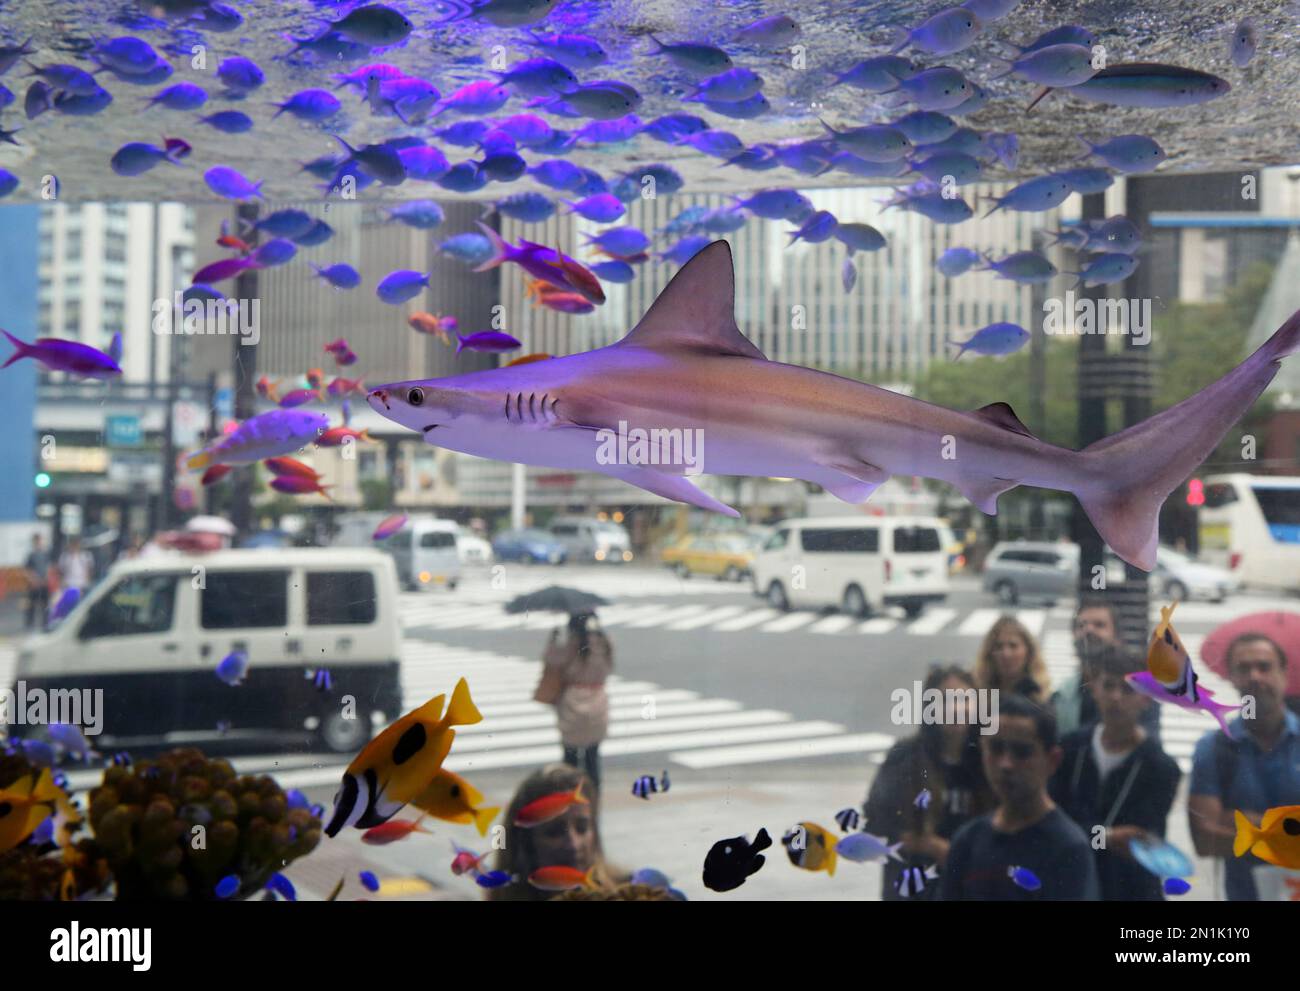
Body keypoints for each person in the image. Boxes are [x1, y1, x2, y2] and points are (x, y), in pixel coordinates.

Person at [1049, 643, 1181, 900]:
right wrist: (1108, 837)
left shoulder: (1161, 767)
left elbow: (1138, 841)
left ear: (1146, 698)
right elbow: (1054, 822)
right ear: (1094, 690)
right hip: (1071, 882)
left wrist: (1086, 834)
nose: (1116, 697)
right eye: (1108, 686)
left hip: (1131, 889)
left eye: (1128, 689)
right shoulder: (1069, 748)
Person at [938, 694, 1100, 900]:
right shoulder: (967, 841)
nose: (1006, 764)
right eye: (996, 749)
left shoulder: (1068, 848)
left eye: (1022, 752)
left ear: (1052, 760)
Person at [864, 664, 996, 900]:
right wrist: (928, 846)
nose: (955, 708)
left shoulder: (989, 761)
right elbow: (877, 821)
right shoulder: (905, 758)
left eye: (964, 699)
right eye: (944, 700)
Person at [1188, 633, 1300, 901]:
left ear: (1284, 673)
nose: (1255, 677)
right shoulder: (1214, 747)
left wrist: (1245, 823)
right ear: (1232, 678)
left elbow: (1217, 830)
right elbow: (1204, 840)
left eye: (1264, 666)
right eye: (1244, 668)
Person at [486, 763, 622, 902]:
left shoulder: (626, 890)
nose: (573, 844)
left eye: (582, 828)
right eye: (554, 832)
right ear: (525, 842)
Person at [536, 612, 612, 792]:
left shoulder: (569, 645)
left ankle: (570, 794)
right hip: (597, 699)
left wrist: (553, 639)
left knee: (570, 757)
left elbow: (550, 660)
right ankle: (593, 795)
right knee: (592, 756)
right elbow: (609, 667)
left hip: (572, 701)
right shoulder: (604, 643)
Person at [973, 615, 1050, 701]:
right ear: (990, 653)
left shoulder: (1039, 693)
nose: (1006, 654)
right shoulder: (976, 691)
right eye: (999, 647)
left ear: (1029, 651)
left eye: (1013, 646)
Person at [22, 533, 51, 629]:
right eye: (36, 541)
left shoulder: (46, 554)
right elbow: (26, 570)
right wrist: (33, 580)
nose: (39, 543)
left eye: (39, 541)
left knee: (45, 604)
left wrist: (46, 578)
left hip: (44, 583)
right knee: (31, 604)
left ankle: (46, 623)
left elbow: (49, 567)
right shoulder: (31, 555)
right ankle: (29, 624)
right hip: (34, 583)